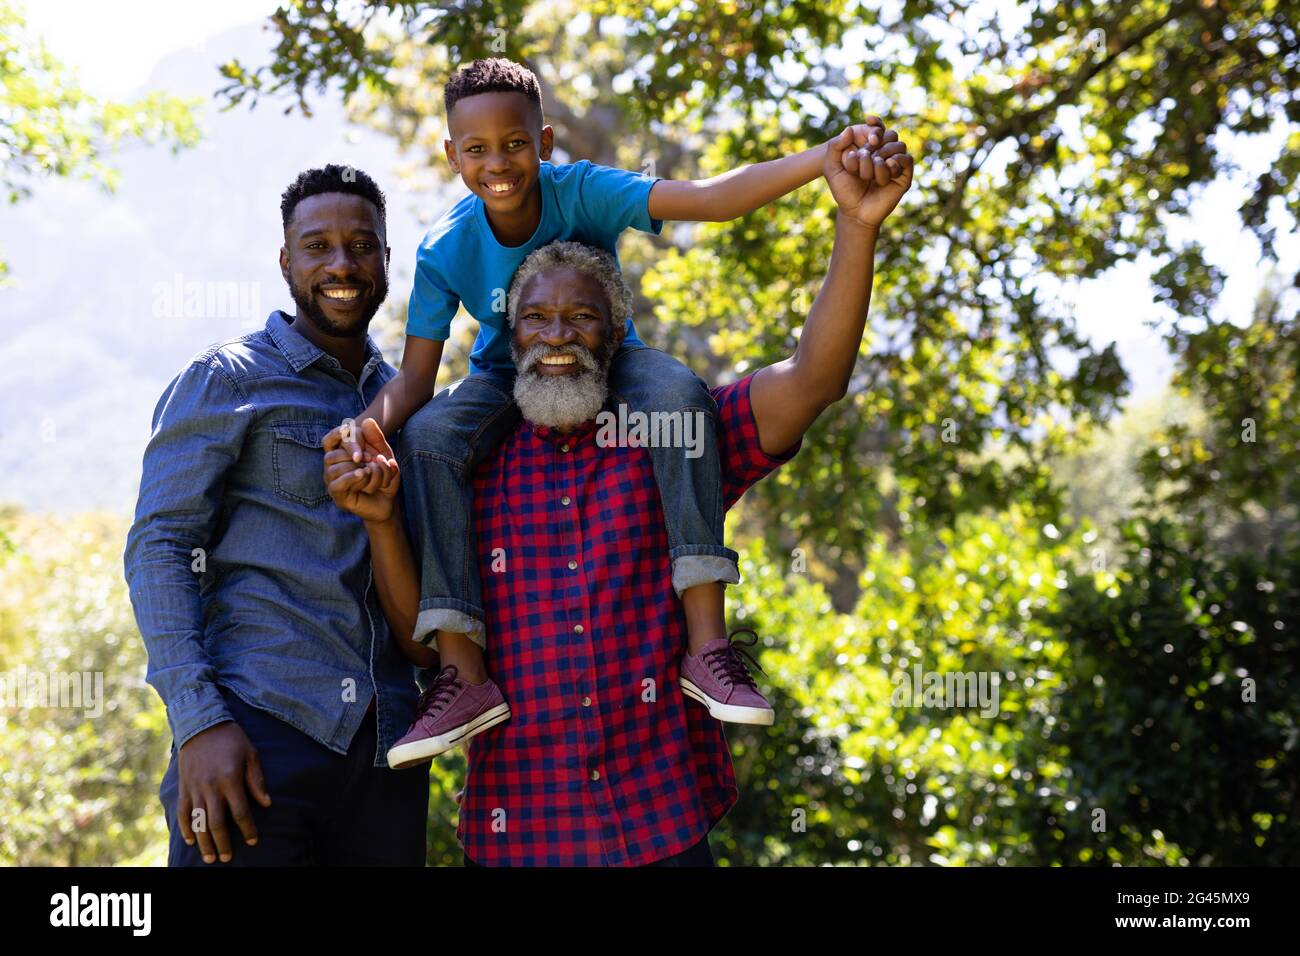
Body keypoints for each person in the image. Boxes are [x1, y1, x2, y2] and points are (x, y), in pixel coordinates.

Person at [324, 119, 914, 865]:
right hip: (520, 837)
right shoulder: (462, 462)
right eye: (535, 319)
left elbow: (813, 380)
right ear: (508, 336)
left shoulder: (674, 434)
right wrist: (380, 520)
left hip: (663, 823)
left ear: (615, 331)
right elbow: (417, 639)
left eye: (581, 317)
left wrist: (856, 228)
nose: (556, 336)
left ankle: (712, 652)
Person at [124, 165, 429, 866]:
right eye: (317, 246)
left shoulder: (408, 407)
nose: (341, 264)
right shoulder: (227, 378)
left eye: (360, 245)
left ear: (386, 259)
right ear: (286, 261)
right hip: (255, 738)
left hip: (390, 754)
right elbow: (160, 548)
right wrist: (200, 725)